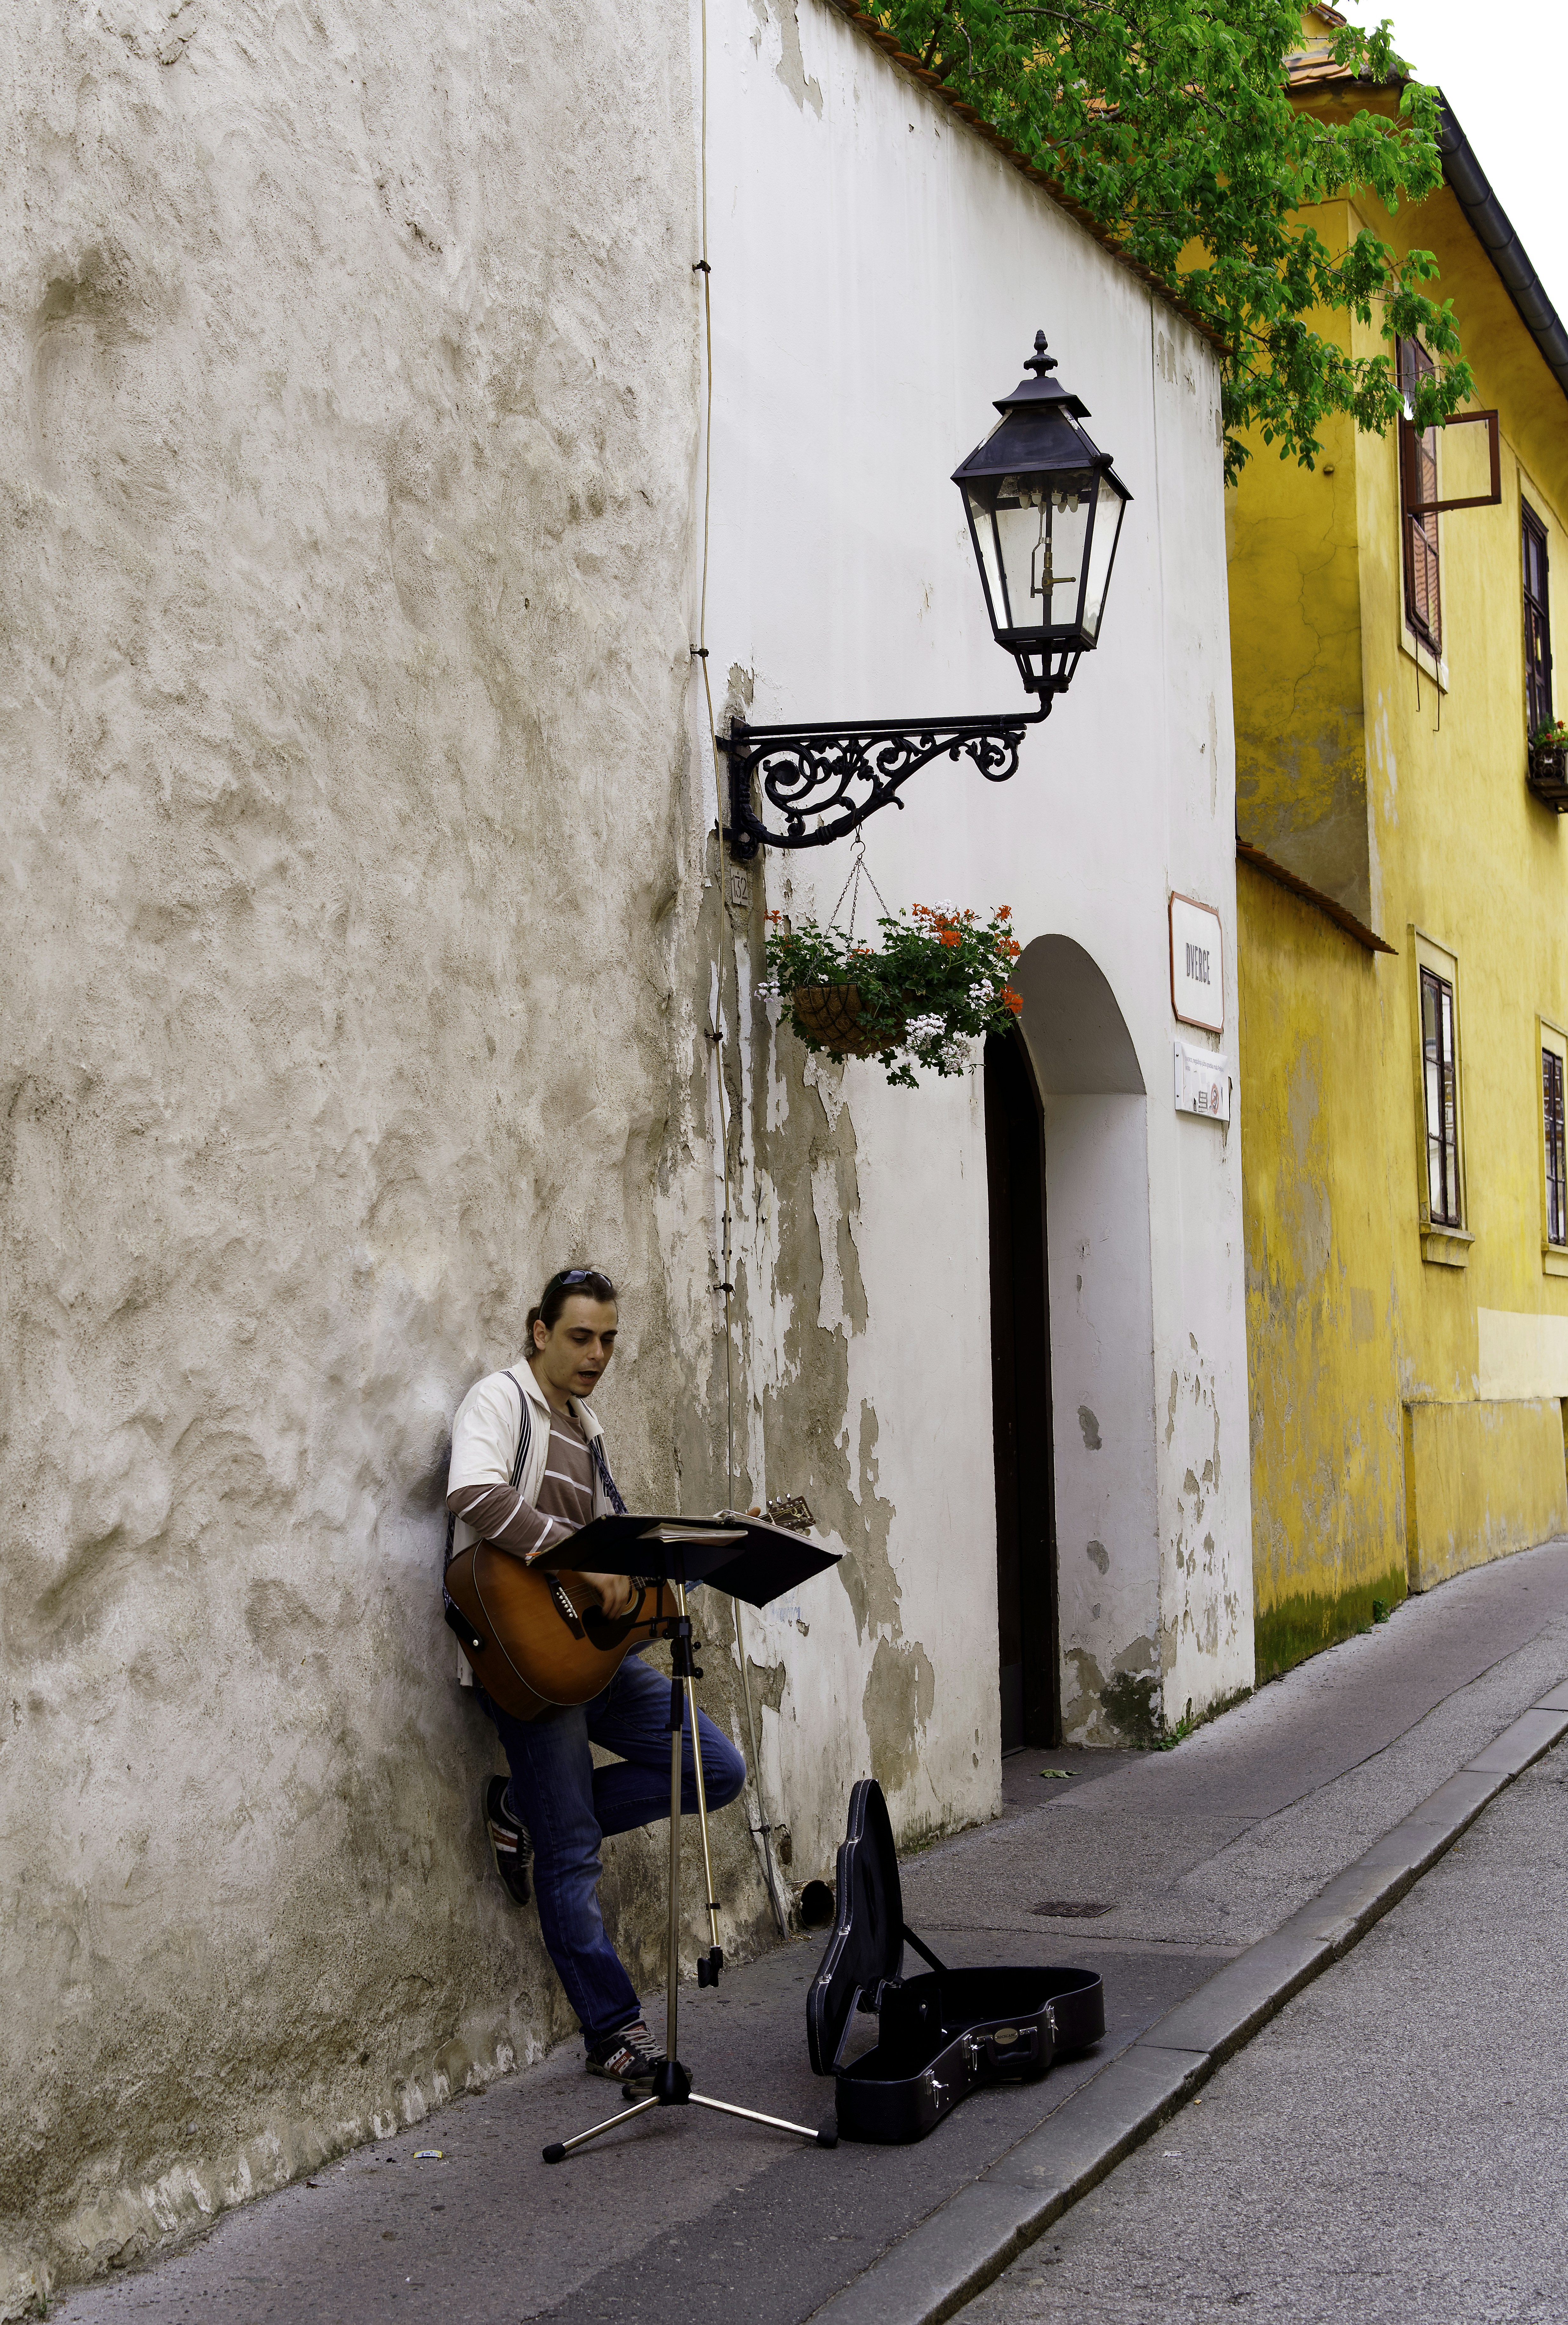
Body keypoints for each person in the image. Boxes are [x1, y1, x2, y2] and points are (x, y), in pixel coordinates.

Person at [445, 1267, 747, 2092]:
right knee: (573, 1852)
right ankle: (613, 2032)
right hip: (529, 1659)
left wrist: (686, 1555)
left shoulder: (589, 1429)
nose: (597, 1353)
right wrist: (575, 1558)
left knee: (716, 1769)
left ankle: (527, 1814)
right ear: (539, 1331)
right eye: (581, 1335)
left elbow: (610, 1559)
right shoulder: (501, 1401)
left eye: (608, 1337)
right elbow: (473, 1491)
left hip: (596, 1656)